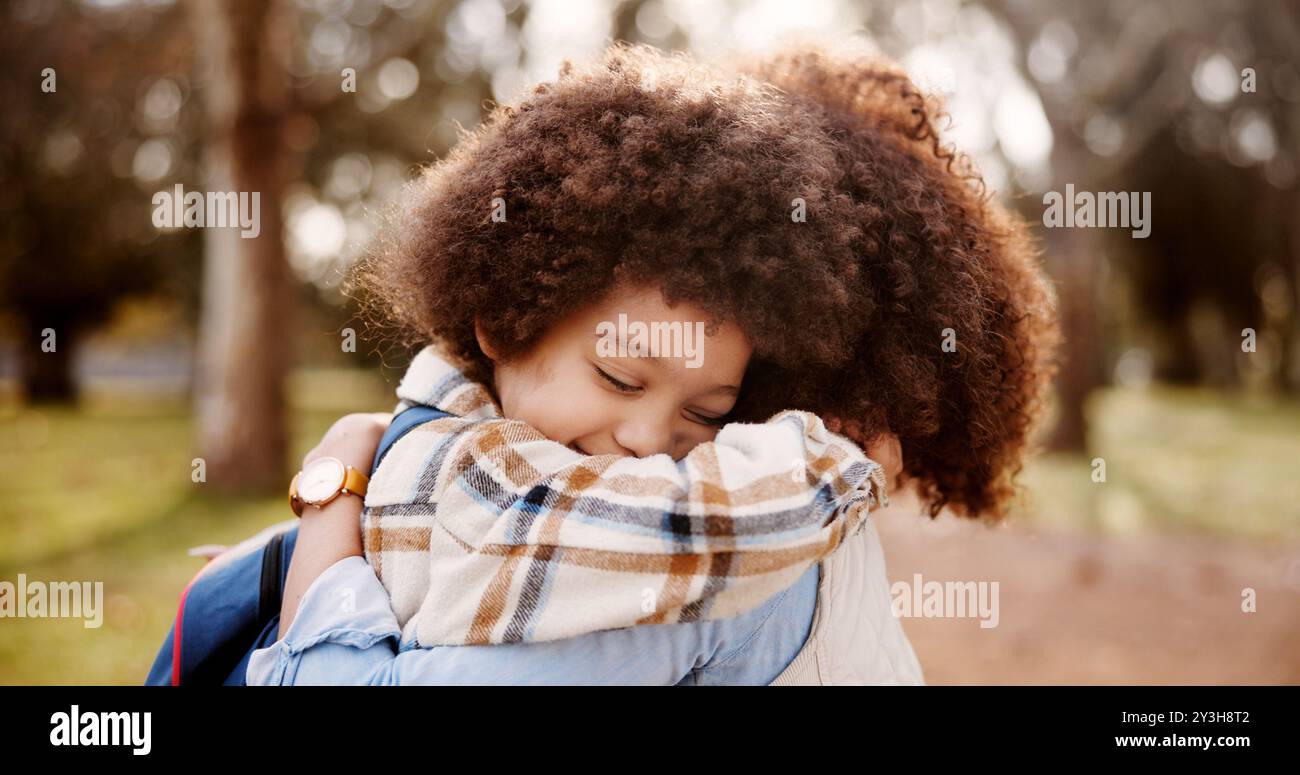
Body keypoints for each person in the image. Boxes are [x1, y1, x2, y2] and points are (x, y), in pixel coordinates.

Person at [247, 43, 1056, 685]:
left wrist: (328, 516)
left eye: (707, 413)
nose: (648, 437)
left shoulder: (718, 574)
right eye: (620, 378)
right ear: (502, 316)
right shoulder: (454, 442)